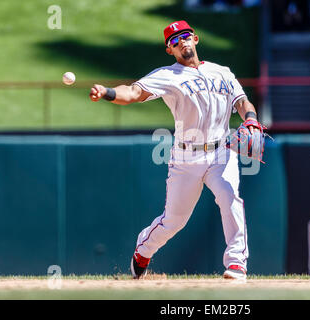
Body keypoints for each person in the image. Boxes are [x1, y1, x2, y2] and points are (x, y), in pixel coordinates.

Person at [89, 21, 260, 281]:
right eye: (174, 40)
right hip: (186, 157)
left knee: (229, 197)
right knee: (174, 221)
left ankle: (236, 263)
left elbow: (243, 102)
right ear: (170, 49)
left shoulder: (222, 72)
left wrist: (250, 120)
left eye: (185, 36)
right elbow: (133, 92)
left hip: (221, 152)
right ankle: (143, 249)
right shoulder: (167, 75)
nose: (181, 42)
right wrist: (108, 92)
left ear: (196, 39)